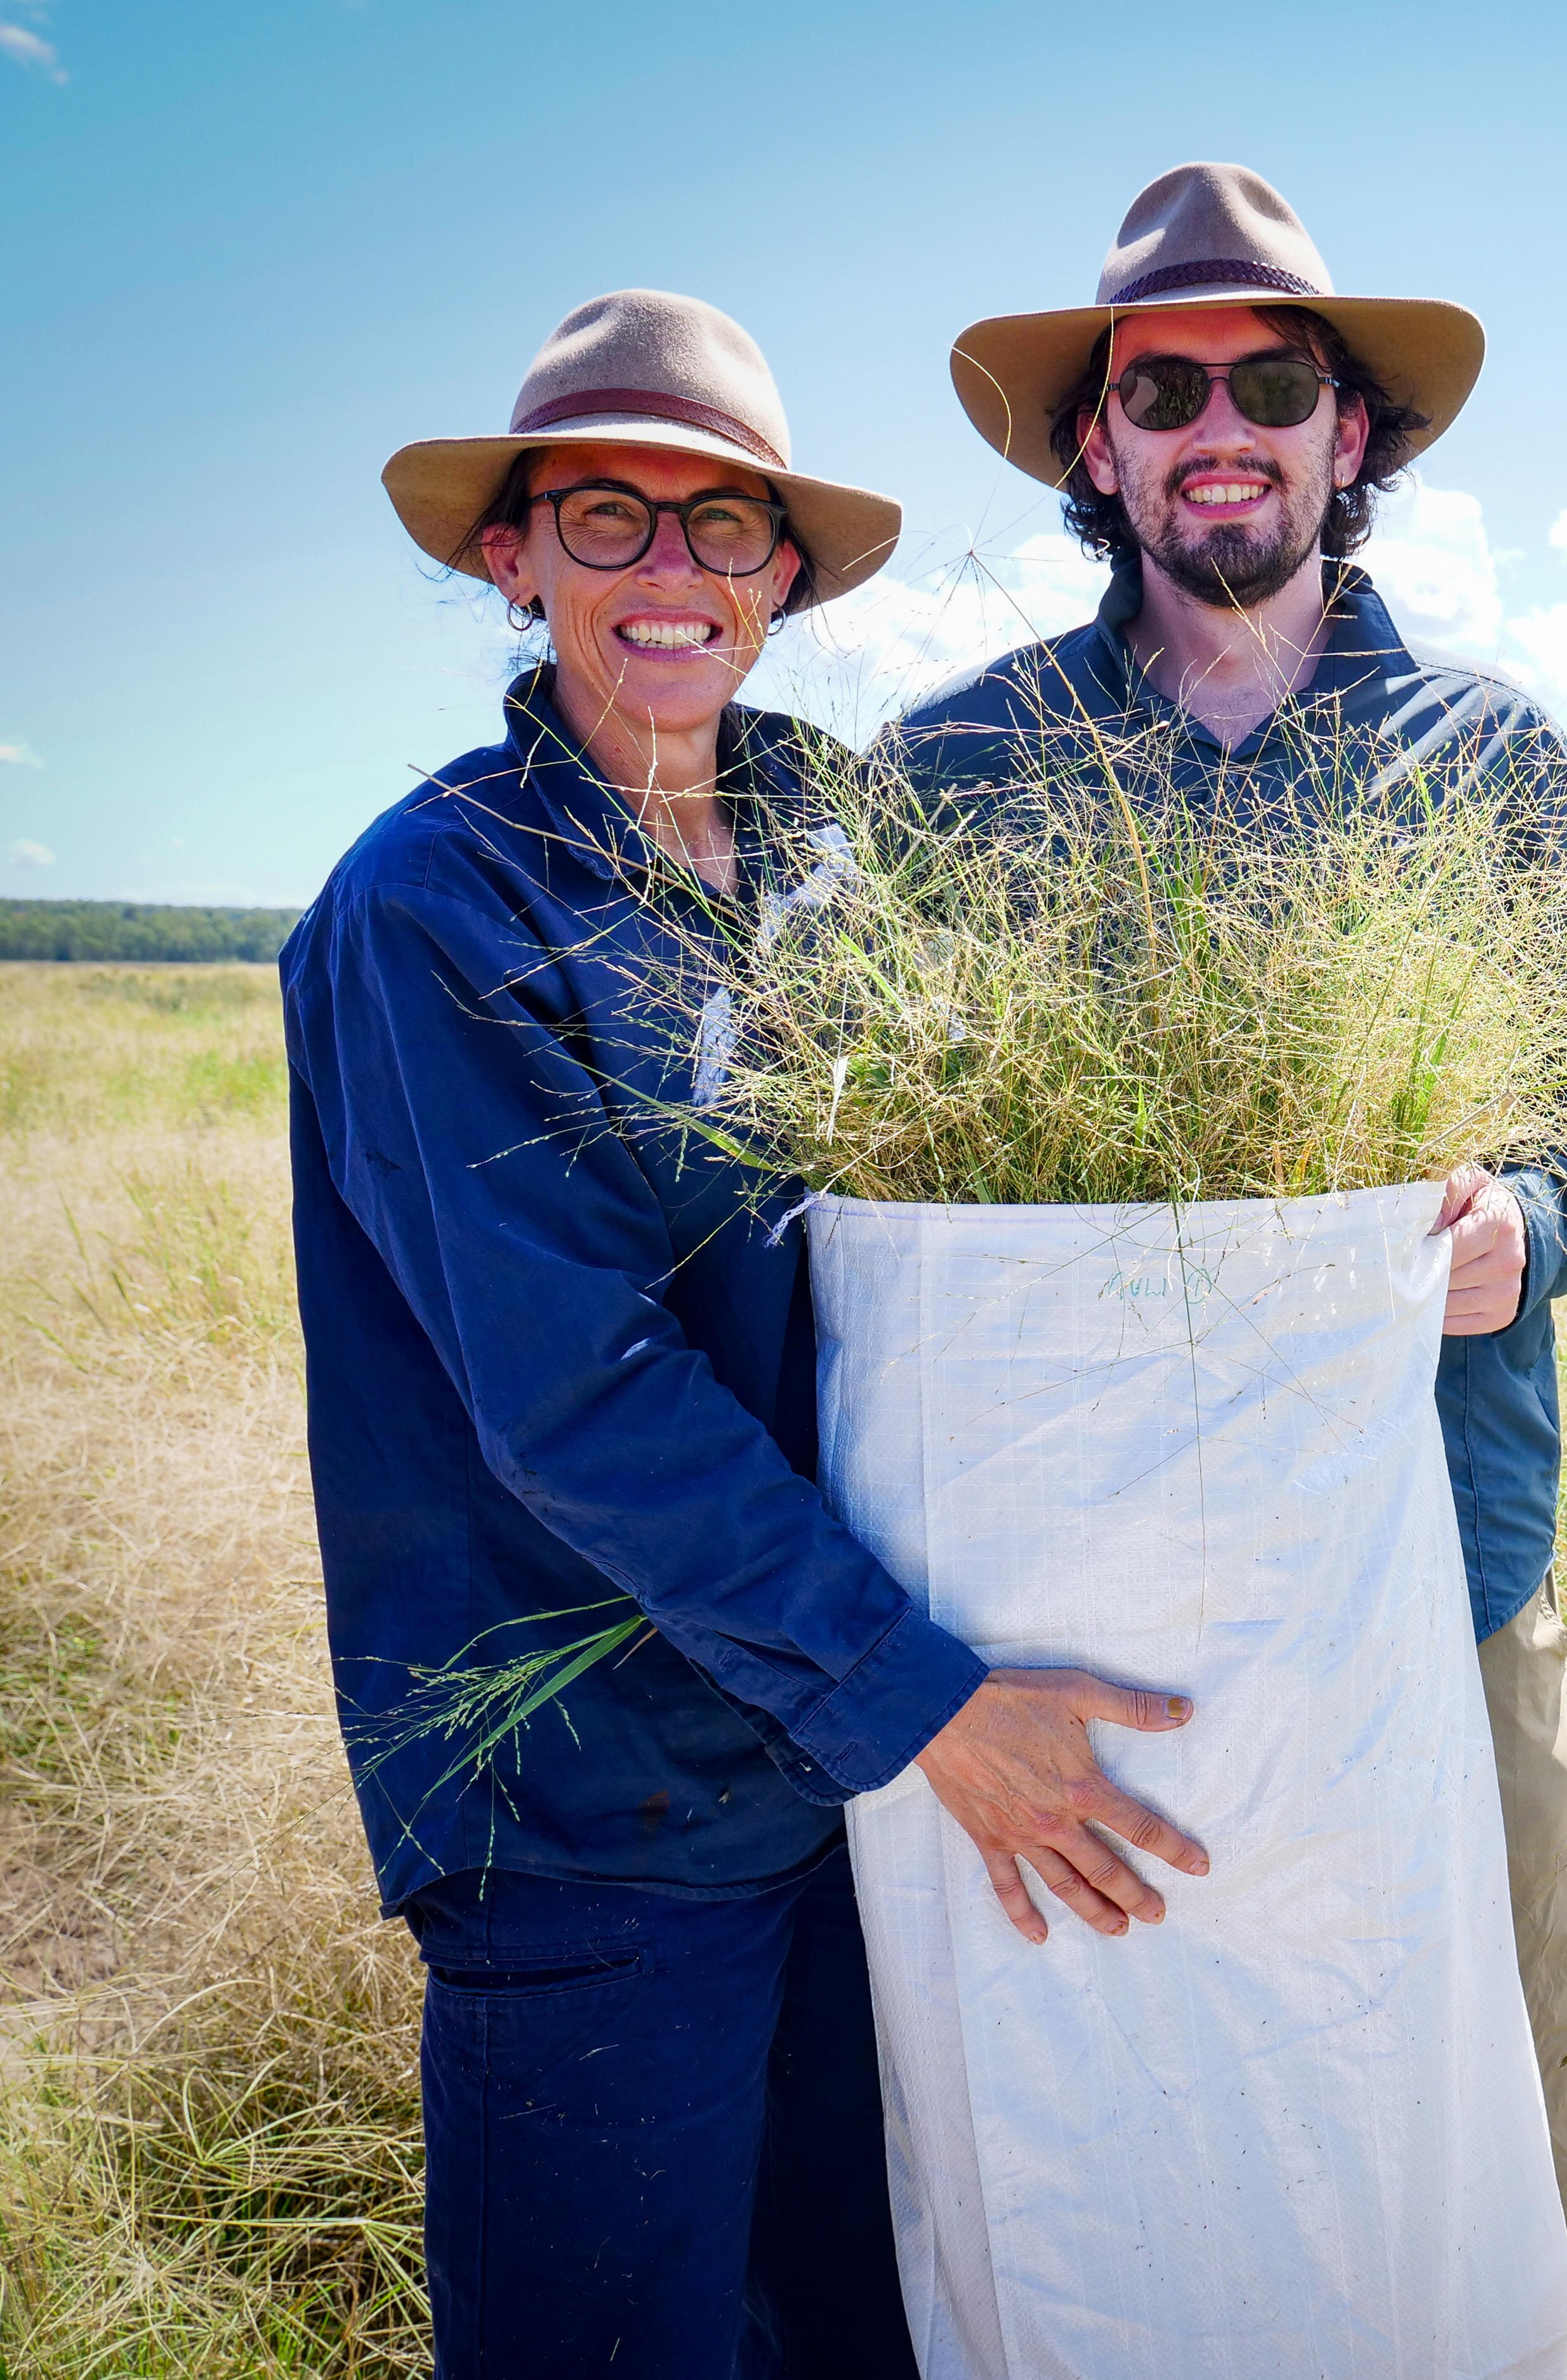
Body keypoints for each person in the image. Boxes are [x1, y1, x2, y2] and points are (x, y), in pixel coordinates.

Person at [288, 289, 1213, 2378]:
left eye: (720, 528)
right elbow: (579, 1399)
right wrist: (933, 1710)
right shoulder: (433, 906)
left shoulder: (840, 853)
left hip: (845, 1789)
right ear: (510, 558)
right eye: (605, 521)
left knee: (862, 2328)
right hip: (605, 1819)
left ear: (783, 572)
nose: (671, 575)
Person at [889, 162, 1567, 2380]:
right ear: (1098, 445)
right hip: (1076, 1619)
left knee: (1516, 2070)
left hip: (1444, 1562)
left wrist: (1527, 1227)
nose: (1217, 421)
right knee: (1105, 2120)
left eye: (1274, 382)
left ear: (1356, 439)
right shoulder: (961, 772)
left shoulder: (1486, 757)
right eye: (1164, 383)